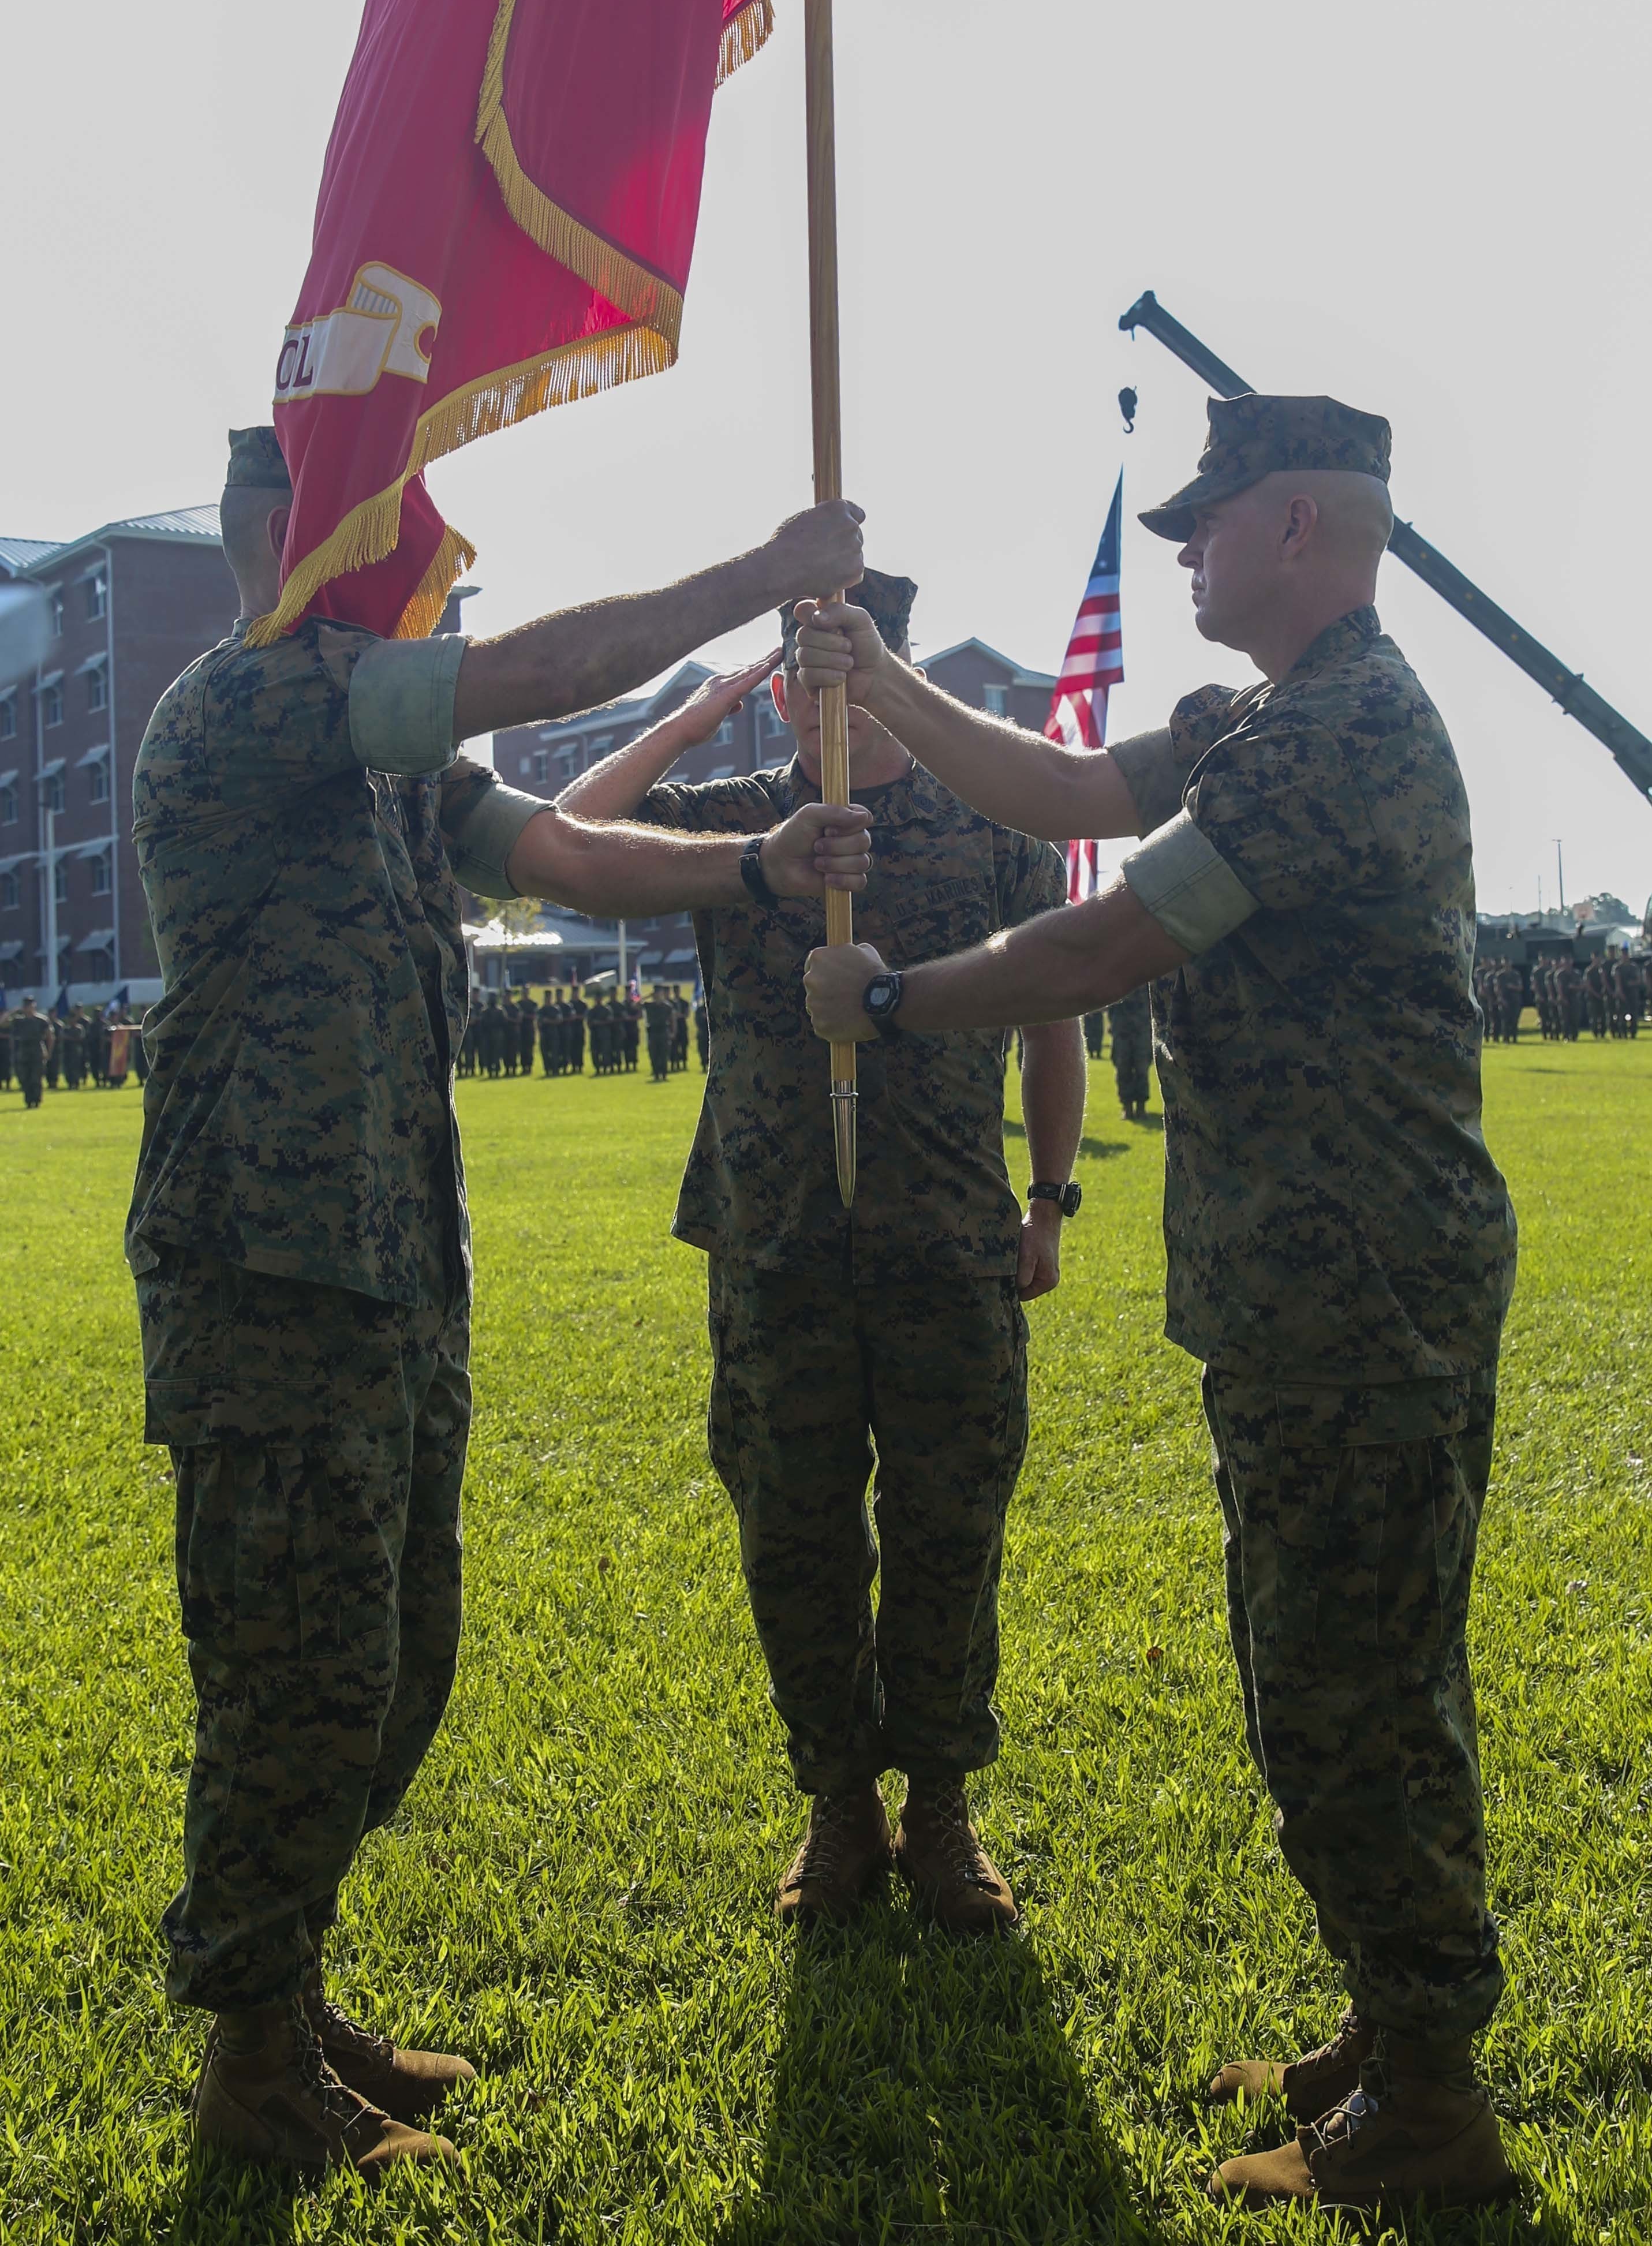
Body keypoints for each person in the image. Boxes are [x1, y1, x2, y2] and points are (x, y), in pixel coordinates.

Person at [797, 398, 1520, 2215]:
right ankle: (1386, 2021)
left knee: (1362, 1690)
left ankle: (1431, 2098)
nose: (1185, 545)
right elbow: (1066, 794)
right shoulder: (1270, 719)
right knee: (1315, 1678)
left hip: (1363, 1287)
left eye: (1209, 520)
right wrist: (877, 672)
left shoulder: (1347, 731)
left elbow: (1109, 936)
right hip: (1309, 1284)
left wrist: (887, 1005)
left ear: (1295, 527)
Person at [127, 425, 868, 2180]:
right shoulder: (247, 701)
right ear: (313, 536)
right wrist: (762, 571)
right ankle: (251, 2059)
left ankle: (294, 1994)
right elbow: (538, 673)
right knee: (292, 1670)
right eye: (412, 539)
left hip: (387, 1269)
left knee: (388, 1660)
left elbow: (556, 851)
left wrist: (753, 865)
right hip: (269, 1274)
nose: (443, 573)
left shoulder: (386, 768)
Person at [559, 572, 1086, 1932]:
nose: (812, 694)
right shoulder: (738, 825)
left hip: (945, 1234)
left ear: (884, 671)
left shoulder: (984, 827)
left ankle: (941, 1807)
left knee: (945, 1525)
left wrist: (1046, 1198)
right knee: (790, 1528)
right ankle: (837, 1798)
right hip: (775, 1240)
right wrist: (691, 717)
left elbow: (1052, 1016)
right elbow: (569, 832)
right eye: (792, 673)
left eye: (837, 665)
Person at [1104, 982, 1152, 1120]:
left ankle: (1141, 1108)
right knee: (1123, 1069)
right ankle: (1127, 1108)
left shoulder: (1146, 975)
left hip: (1141, 1028)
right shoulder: (1118, 977)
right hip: (1122, 1029)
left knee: (1142, 1069)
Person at [12, 994, 53, 1110]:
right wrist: (13, 1011)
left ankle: (36, 1100)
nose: (28, 1008)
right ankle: (28, 1101)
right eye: (26, 1006)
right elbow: (2, 1022)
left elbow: (50, 1036)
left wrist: (48, 1052)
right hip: (24, 1051)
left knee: (36, 1078)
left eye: (30, 1005)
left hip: (37, 1050)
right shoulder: (19, 1021)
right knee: (25, 1078)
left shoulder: (41, 1020)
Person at [644, 985, 674, 1081]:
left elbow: (672, 1020)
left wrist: (673, 1032)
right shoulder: (649, 1005)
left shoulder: (667, 1006)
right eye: (656, 993)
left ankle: (664, 1075)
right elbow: (635, 1005)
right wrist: (648, 996)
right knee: (654, 1055)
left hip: (663, 1033)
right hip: (653, 1033)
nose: (658, 996)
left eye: (659, 993)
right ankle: (656, 1074)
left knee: (664, 1055)